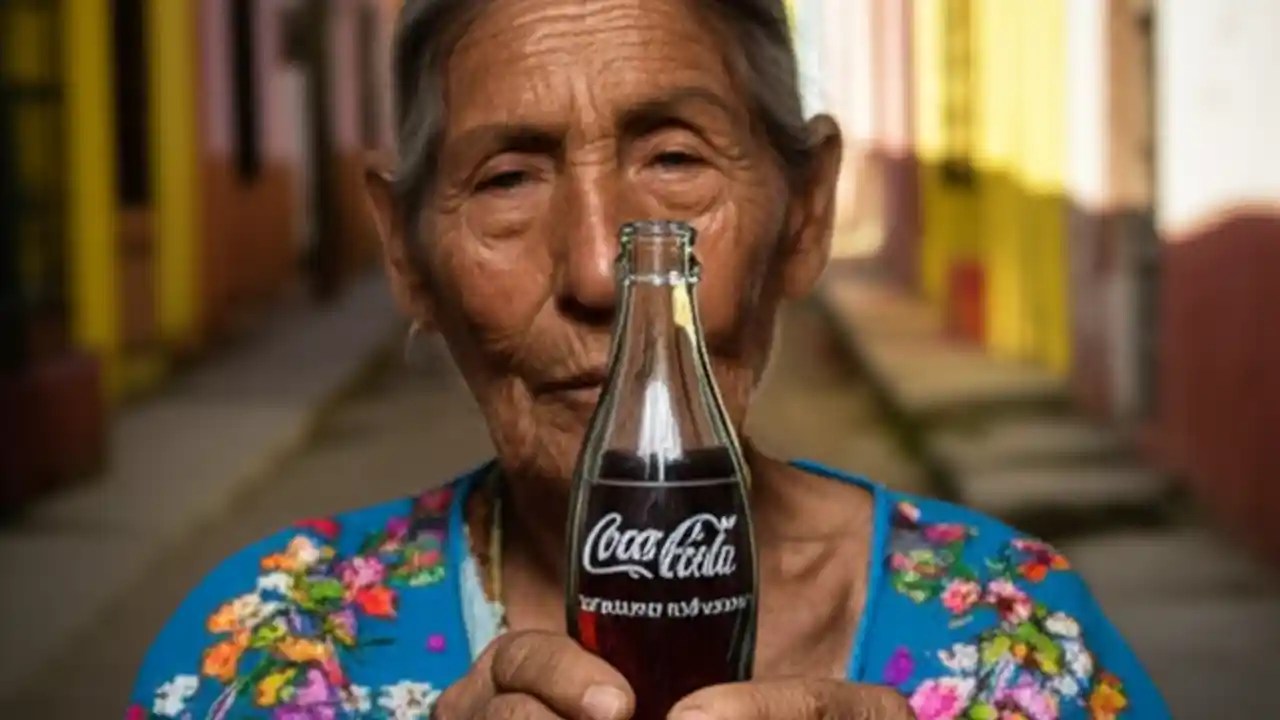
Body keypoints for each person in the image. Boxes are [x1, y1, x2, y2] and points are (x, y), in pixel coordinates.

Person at [127, 0, 1170, 718]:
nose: (600, 268)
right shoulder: (261, 655)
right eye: (506, 179)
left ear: (805, 214)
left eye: (675, 159)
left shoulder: (1019, 646)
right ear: (406, 256)